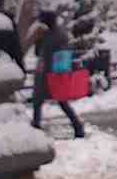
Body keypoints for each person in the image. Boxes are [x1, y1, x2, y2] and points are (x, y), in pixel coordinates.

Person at [29, 8, 84, 138]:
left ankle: (36, 126)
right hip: (55, 74)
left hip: (47, 74)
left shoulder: (50, 35)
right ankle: (77, 126)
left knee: (39, 101)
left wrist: (38, 40)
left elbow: (39, 53)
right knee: (60, 101)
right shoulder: (60, 34)